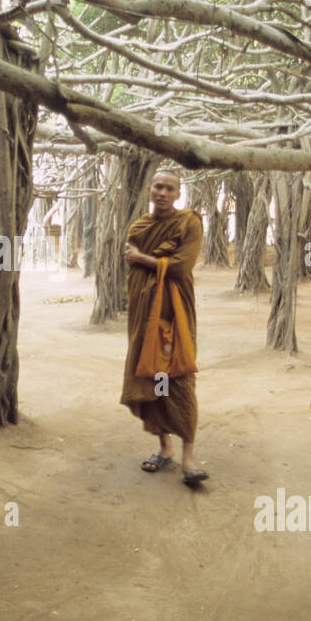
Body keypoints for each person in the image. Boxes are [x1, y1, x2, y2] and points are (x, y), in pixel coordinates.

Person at [121, 169, 208, 487]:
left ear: (178, 194)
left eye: (169, 188)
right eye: (158, 186)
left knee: (181, 379)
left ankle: (188, 456)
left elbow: (181, 266)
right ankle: (164, 448)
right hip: (146, 316)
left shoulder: (189, 223)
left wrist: (143, 258)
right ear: (149, 190)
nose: (162, 192)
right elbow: (130, 263)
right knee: (155, 378)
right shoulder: (140, 226)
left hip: (176, 314)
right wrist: (146, 261)